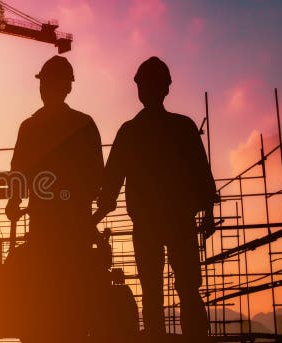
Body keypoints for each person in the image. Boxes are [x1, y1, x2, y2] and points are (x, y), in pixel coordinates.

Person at [94, 56, 216, 342]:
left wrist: (93, 217)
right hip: (177, 222)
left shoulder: (131, 131)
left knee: (155, 290)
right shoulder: (181, 127)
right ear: (166, 88)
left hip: (152, 224)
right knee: (186, 288)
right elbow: (201, 174)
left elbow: (111, 185)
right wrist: (208, 212)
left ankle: (159, 337)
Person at [5, 55, 104, 342]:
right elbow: (97, 176)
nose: (44, 89)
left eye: (47, 84)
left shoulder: (32, 126)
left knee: (44, 294)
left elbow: (19, 172)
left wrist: (14, 202)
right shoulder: (83, 124)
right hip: (73, 227)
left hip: (46, 226)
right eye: (43, 84)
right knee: (71, 298)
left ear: (64, 88)